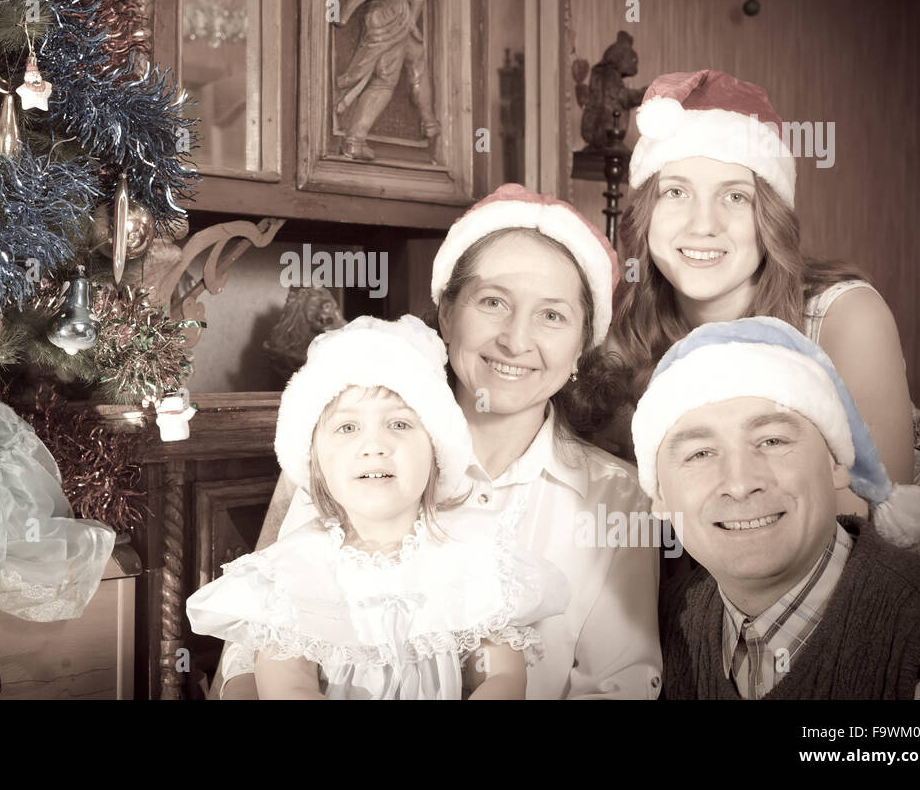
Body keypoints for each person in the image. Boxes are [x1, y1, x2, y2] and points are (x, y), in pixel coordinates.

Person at [214, 185, 662, 699]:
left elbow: (621, 685)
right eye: (493, 302)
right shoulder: (354, 456)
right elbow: (246, 666)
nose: (516, 340)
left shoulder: (619, 499)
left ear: (583, 344)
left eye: (552, 315)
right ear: (447, 314)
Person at [186, 315, 569, 699]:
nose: (374, 446)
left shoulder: (472, 556)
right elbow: (289, 687)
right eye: (348, 428)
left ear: (437, 451)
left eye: (400, 425)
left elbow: (502, 678)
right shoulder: (292, 572)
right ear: (315, 462)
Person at [606, 69, 917, 520]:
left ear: (769, 217)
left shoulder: (846, 318)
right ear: (646, 213)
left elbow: (871, 522)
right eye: (676, 192)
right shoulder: (621, 323)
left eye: (735, 197)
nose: (702, 225)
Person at [633, 317, 920, 699]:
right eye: (699, 453)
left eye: (771, 441)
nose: (740, 483)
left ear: (837, 461)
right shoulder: (661, 631)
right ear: (660, 499)